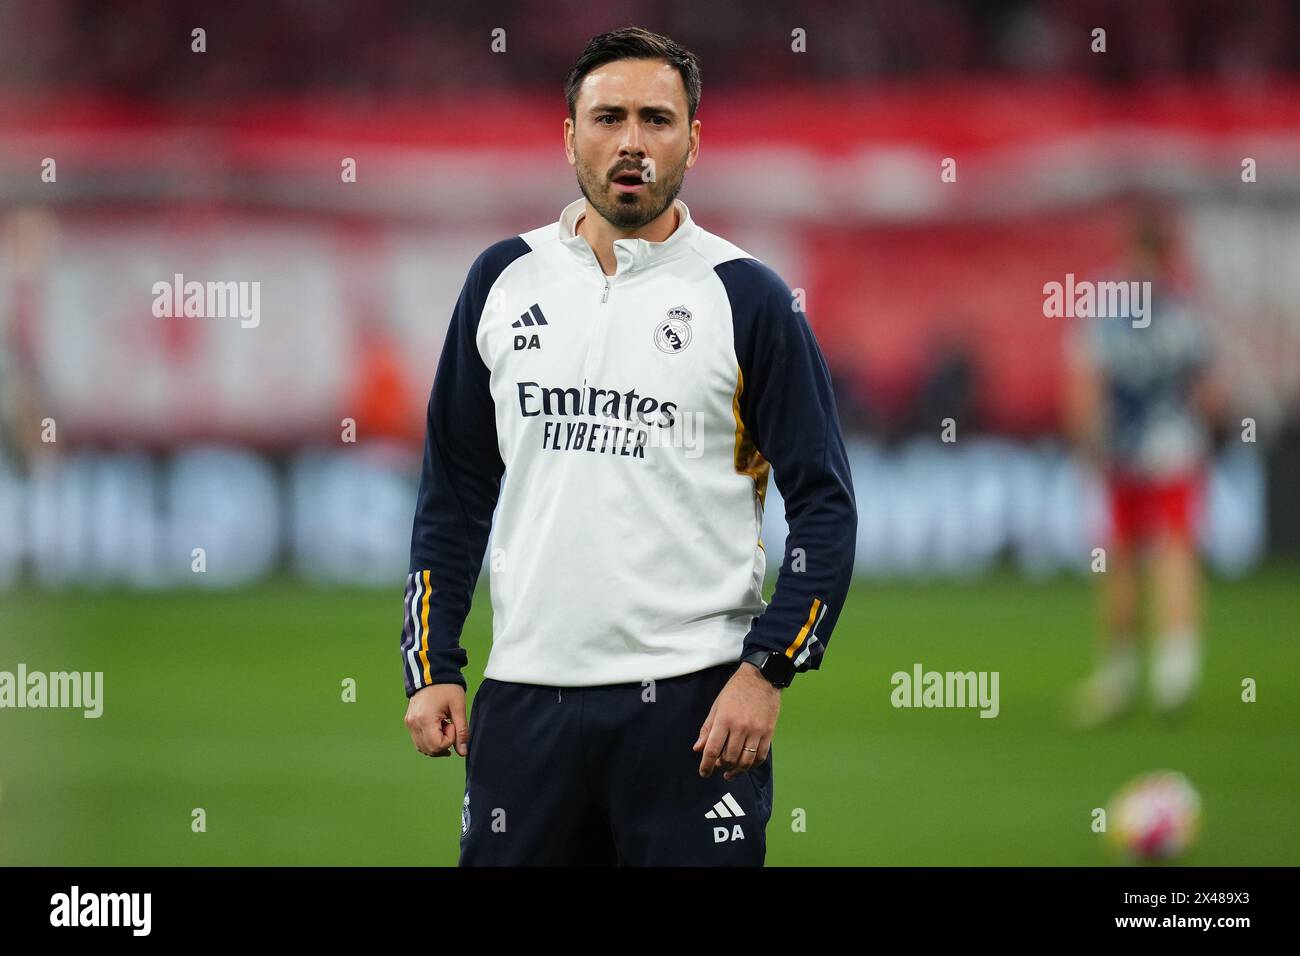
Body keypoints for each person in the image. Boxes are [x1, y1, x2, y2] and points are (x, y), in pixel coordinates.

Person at [399, 26, 857, 865]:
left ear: (694, 139)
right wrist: (433, 661)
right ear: (569, 135)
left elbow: (825, 504)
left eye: (657, 119)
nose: (633, 143)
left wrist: (767, 671)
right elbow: (456, 490)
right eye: (609, 119)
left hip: (695, 711)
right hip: (526, 701)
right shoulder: (502, 281)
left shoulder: (746, 296)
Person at [1065, 206, 1222, 726]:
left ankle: (1119, 674)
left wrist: (1085, 440)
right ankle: (1176, 672)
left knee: (1122, 556)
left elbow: (1086, 379)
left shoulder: (1107, 303)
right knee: (1175, 549)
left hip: (1122, 448)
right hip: (1175, 447)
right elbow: (1208, 387)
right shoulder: (1183, 304)